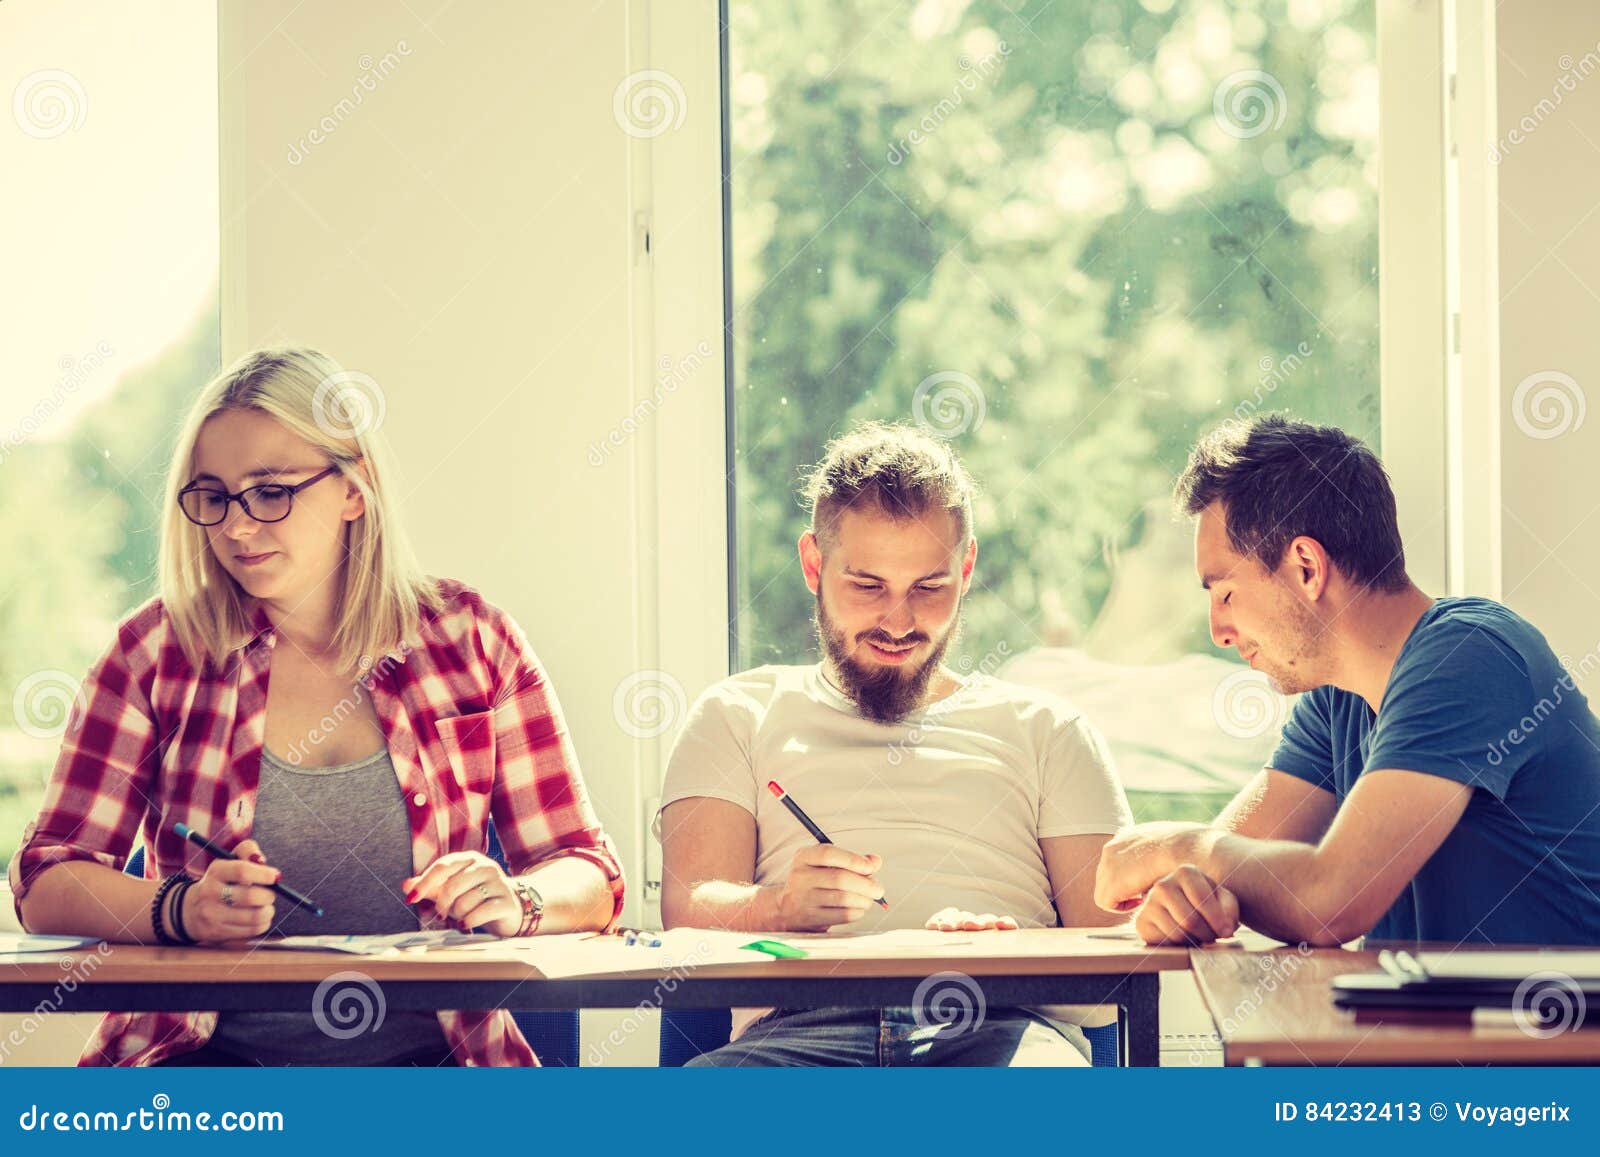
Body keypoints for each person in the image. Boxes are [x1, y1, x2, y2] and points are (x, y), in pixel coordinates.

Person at [10, 347, 624, 1066]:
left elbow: (588, 872)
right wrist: (177, 907)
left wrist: (519, 897)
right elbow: (47, 879)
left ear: (354, 489)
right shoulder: (155, 652)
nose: (237, 527)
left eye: (270, 491)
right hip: (201, 1073)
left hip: (438, 1069)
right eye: (213, 495)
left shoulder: (472, 638)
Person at [657, 421, 1132, 1066]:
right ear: (812, 566)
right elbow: (686, 913)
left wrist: (1011, 955)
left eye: (928, 587)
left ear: (965, 570)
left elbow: (1120, 973)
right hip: (794, 1035)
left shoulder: (1050, 732)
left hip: (1000, 1028)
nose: (899, 622)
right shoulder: (736, 715)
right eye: (868, 586)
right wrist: (778, 908)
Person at [1095, 415, 1600, 948]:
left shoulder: (1469, 656)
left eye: (1224, 593)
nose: (1218, 631)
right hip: (1446, 1025)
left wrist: (1179, 848)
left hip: (1556, 1025)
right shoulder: (1338, 699)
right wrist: (1182, 899)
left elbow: (1328, 904)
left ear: (1307, 567)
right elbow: (1225, 877)